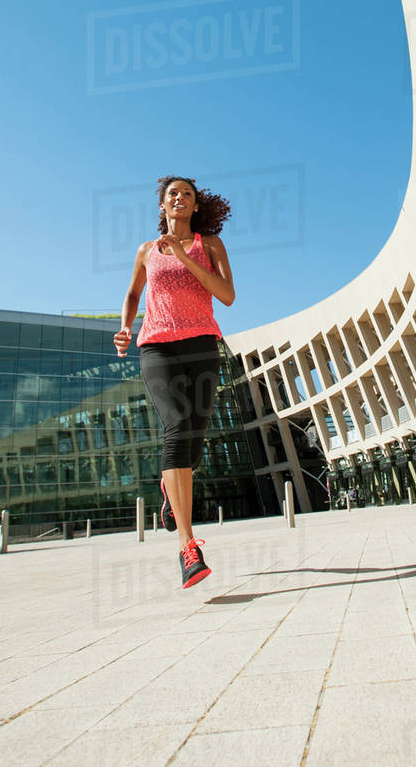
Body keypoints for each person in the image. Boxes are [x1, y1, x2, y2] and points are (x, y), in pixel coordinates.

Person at [113, 175, 235, 589]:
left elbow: (227, 295)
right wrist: (126, 327)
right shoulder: (146, 251)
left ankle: (170, 490)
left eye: (187, 194)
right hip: (158, 347)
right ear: (162, 207)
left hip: (201, 344)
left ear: (195, 206)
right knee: (177, 427)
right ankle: (188, 547)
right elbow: (132, 294)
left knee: (194, 440)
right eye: (172, 195)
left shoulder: (210, 244)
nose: (180, 198)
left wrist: (183, 255)